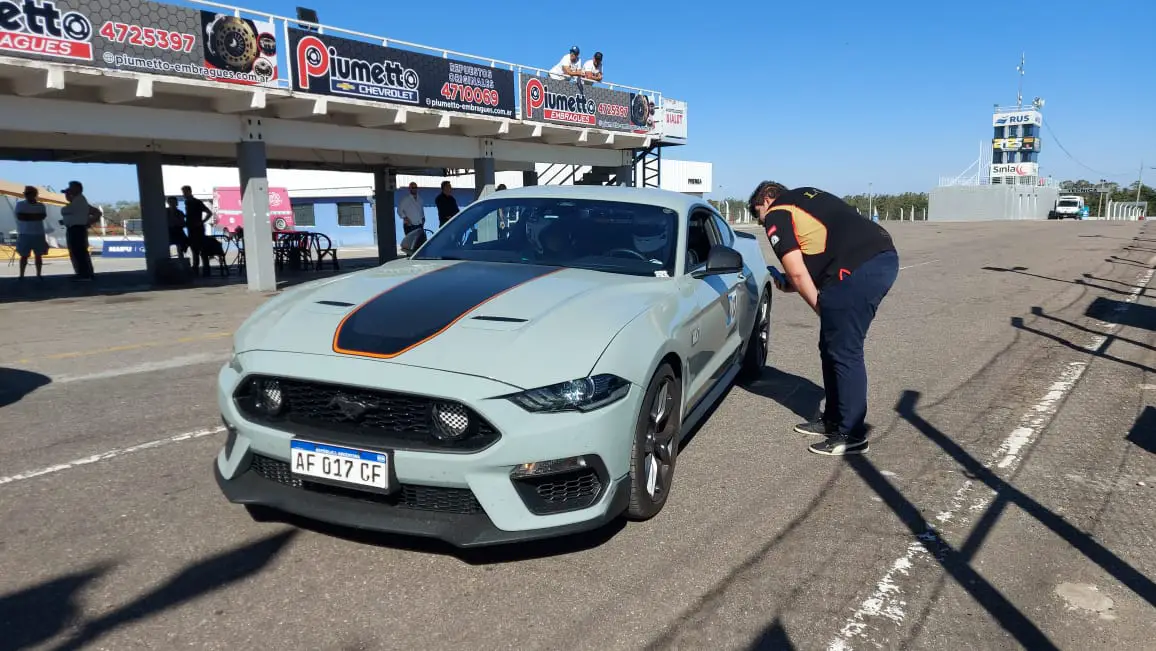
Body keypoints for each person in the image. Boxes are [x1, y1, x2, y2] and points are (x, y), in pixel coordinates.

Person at [747, 181, 899, 456]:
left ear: (768, 198)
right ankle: (832, 420)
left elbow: (796, 272)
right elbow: (812, 262)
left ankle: (851, 433)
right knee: (831, 344)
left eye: (759, 215)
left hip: (859, 267)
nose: (763, 223)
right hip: (877, 256)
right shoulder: (806, 198)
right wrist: (791, 285)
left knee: (844, 348)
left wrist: (820, 307)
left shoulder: (777, 211)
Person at [60, 180, 100, 281]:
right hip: (74, 228)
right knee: (76, 252)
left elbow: (65, 210)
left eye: (71, 188)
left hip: (77, 228)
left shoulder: (79, 200)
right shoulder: (78, 201)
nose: (69, 191)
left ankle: (85, 274)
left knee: (79, 252)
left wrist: (88, 222)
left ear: (77, 189)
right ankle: (82, 273)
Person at [14, 185, 49, 280]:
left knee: (38, 255)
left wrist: (28, 216)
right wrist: (34, 217)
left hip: (38, 233)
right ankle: (21, 275)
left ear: (34, 194)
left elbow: (41, 216)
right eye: (25, 193)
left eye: (28, 193)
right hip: (24, 233)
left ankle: (38, 274)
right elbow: (20, 217)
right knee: (24, 256)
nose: (26, 195)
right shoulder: (20, 204)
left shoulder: (41, 205)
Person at [181, 185, 214, 276]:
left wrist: (201, 222)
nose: (183, 194)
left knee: (202, 251)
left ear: (189, 192)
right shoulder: (187, 203)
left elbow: (209, 212)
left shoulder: (197, 202)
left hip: (198, 230)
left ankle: (205, 271)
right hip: (191, 230)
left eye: (184, 192)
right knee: (194, 251)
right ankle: (196, 270)